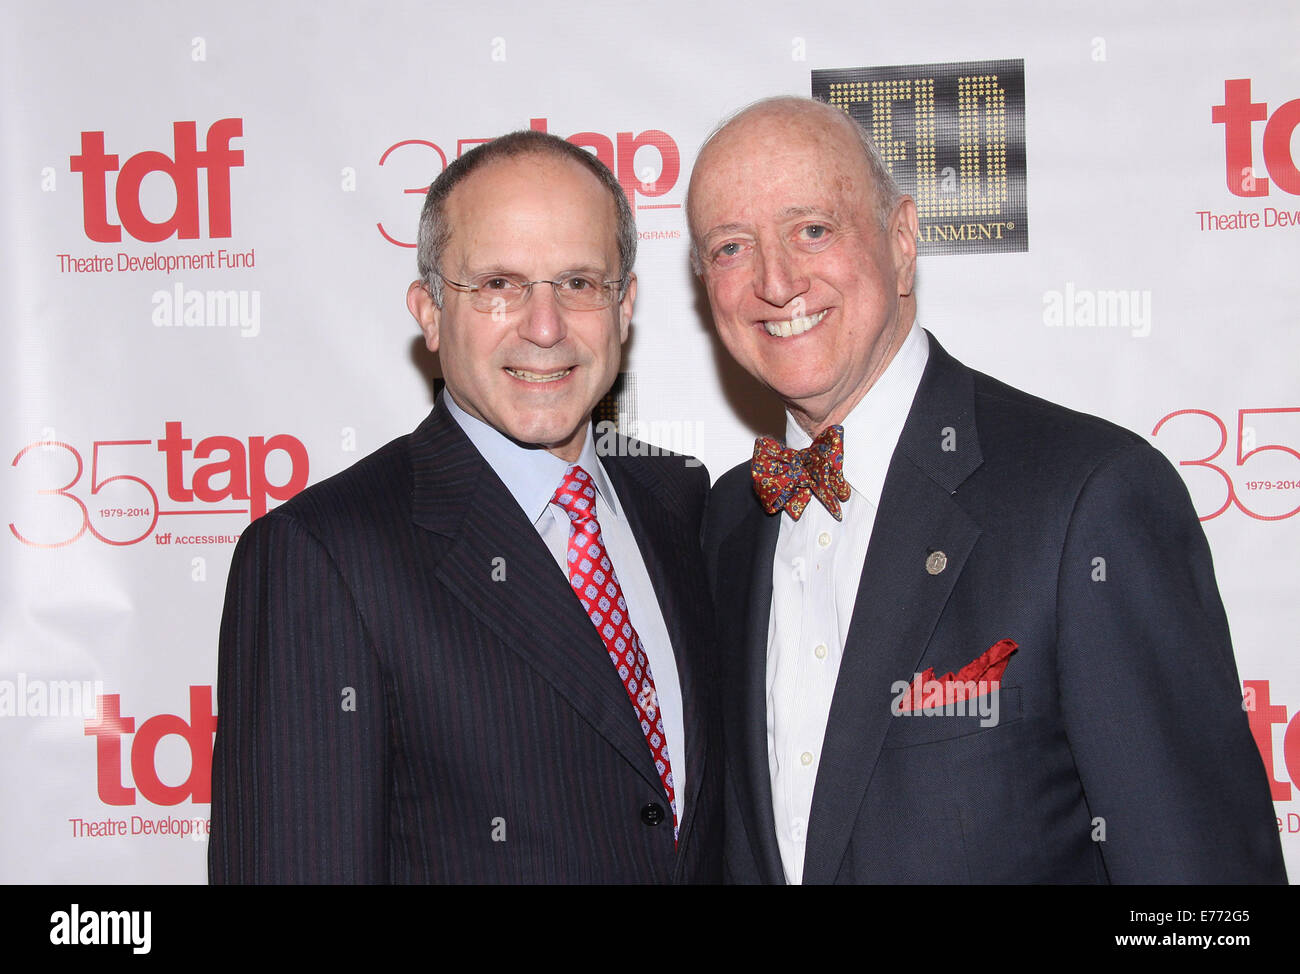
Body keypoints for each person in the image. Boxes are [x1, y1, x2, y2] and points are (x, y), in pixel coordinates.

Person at [692, 96, 1285, 884]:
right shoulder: (725, 524)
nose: (775, 281)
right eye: (732, 247)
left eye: (813, 230)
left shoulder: (1088, 499)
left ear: (902, 241)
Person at [210, 129, 720, 883]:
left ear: (625, 307)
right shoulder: (321, 556)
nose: (544, 328)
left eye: (579, 282)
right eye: (498, 285)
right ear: (428, 310)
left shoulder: (681, 501)